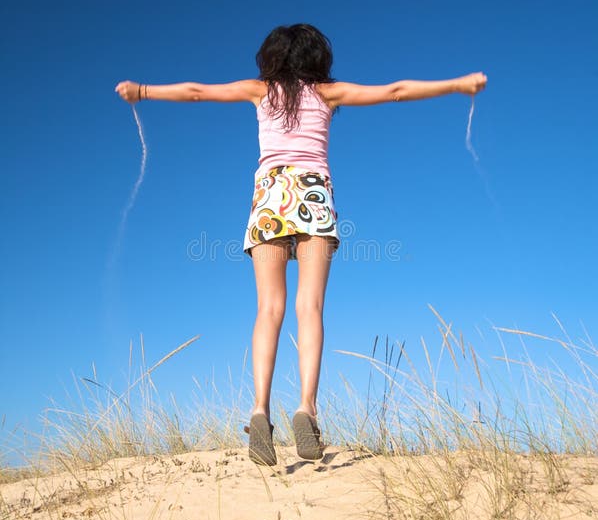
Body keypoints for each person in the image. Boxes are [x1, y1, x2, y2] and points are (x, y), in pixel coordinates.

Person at [115, 23, 487, 466]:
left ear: (271, 57)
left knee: (268, 309)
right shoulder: (329, 93)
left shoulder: (259, 91)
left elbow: (197, 92)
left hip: (270, 197)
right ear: (317, 58)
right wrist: (458, 84)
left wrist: (143, 91)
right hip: (313, 196)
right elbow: (395, 91)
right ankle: (307, 409)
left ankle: (259, 410)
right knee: (309, 307)